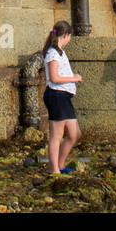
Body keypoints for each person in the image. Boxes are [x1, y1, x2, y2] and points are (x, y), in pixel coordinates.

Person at [41, 20, 82, 174]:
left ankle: (60, 164)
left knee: (74, 134)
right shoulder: (52, 52)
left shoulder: (60, 52)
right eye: (69, 36)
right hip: (56, 95)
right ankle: (54, 171)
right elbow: (54, 78)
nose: (70, 40)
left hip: (64, 97)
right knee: (56, 136)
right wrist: (74, 78)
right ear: (66, 35)